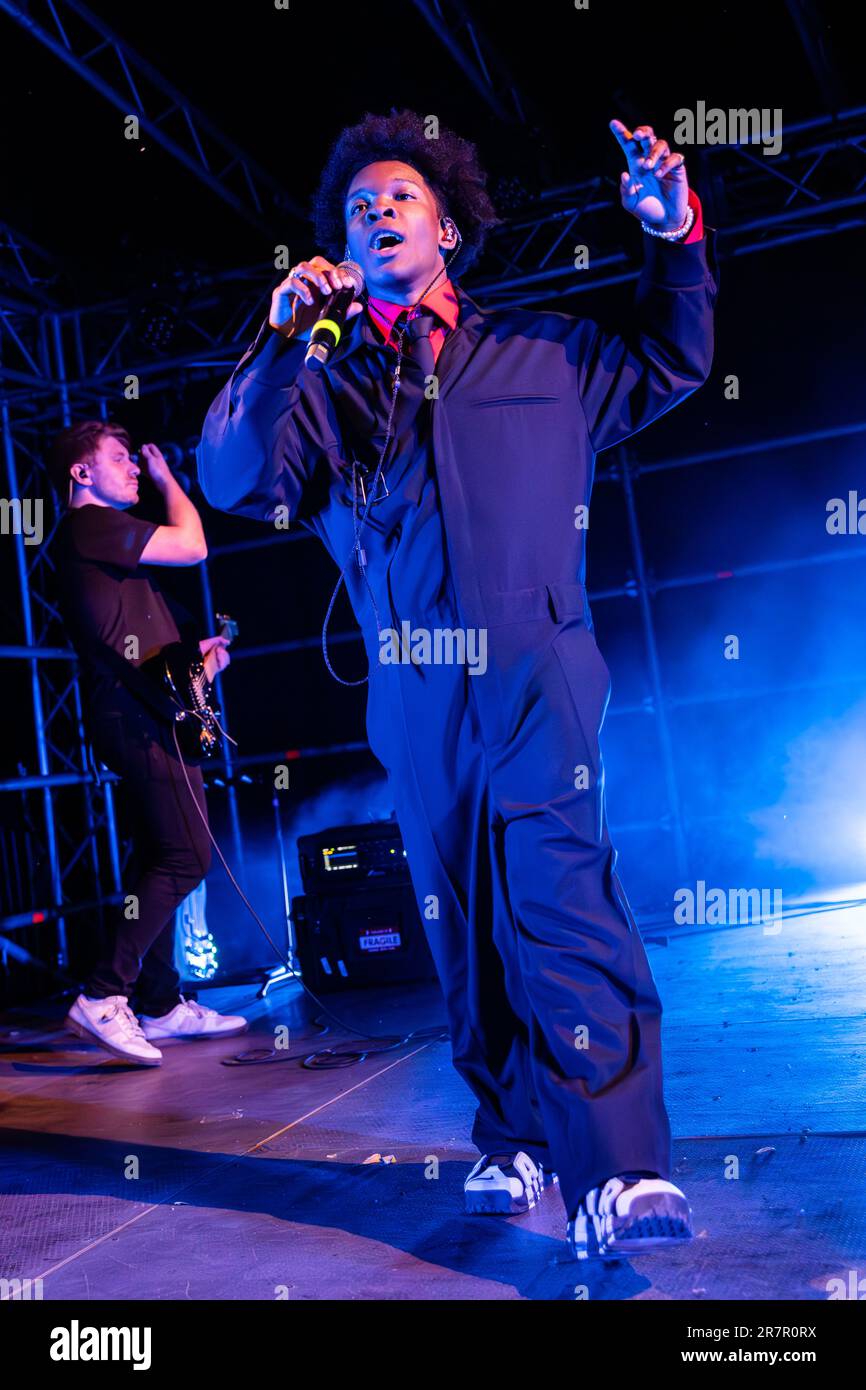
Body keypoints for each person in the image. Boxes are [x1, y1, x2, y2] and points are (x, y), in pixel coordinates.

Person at [197, 108, 718, 1259]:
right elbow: (233, 475)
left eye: (398, 196)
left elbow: (675, 357)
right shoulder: (322, 387)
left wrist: (672, 236)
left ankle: (619, 1165)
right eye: (355, 206)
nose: (375, 211)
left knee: (561, 896)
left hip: (540, 670)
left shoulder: (545, 352)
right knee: (462, 921)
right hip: (414, 691)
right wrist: (281, 338)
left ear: (449, 226)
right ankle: (512, 1133)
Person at [49, 422, 247, 1066]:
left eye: (138, 462)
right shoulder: (90, 526)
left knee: (161, 855)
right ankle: (103, 995)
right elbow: (193, 546)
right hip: (134, 719)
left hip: (141, 710)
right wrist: (167, 481)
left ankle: (157, 1002)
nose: (134, 467)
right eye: (120, 459)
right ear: (82, 474)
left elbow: (141, 647)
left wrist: (199, 664)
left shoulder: (106, 542)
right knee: (188, 855)